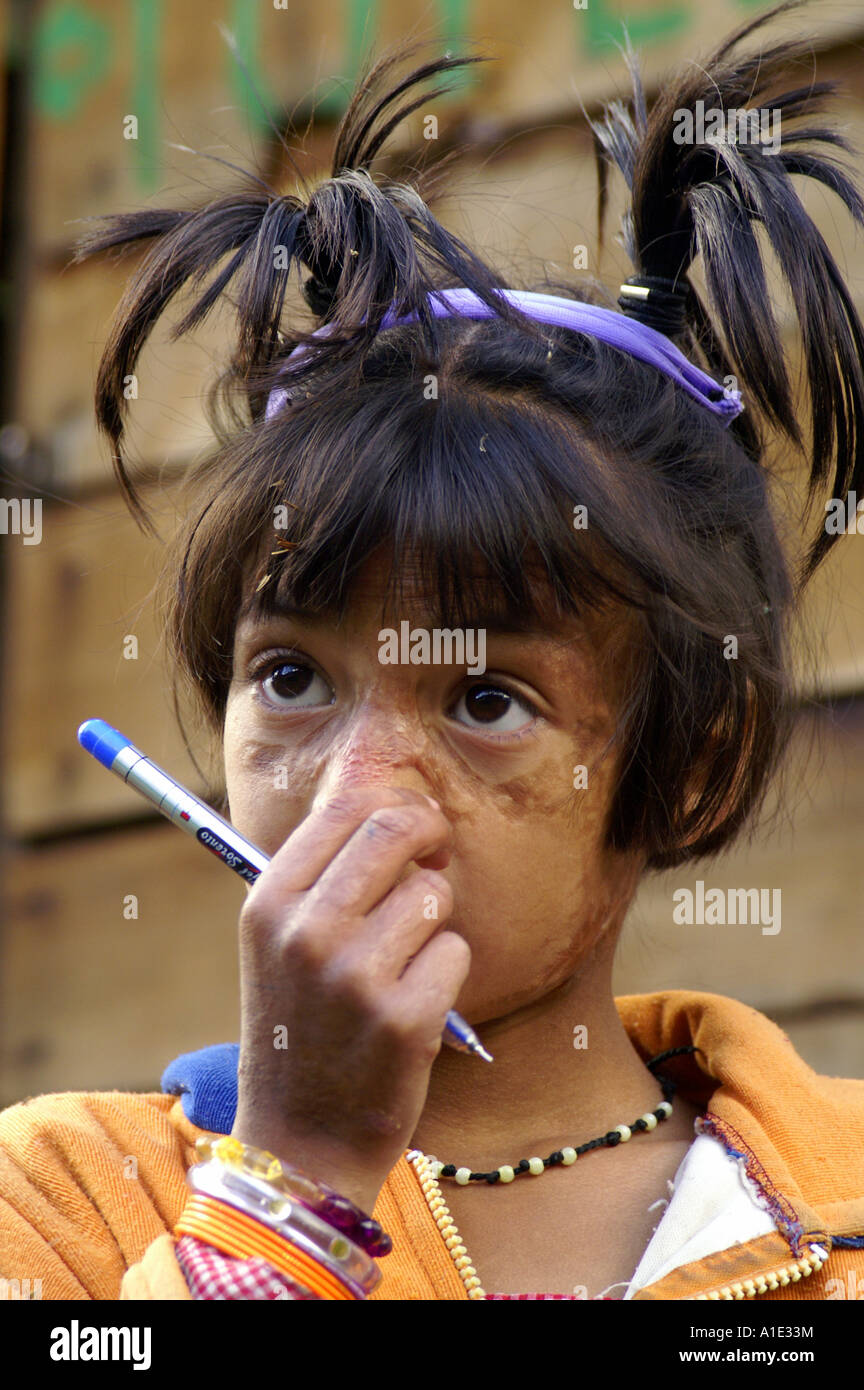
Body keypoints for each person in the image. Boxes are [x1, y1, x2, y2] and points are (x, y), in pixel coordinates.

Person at [2, 1, 863, 1302]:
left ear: (691, 763)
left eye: (483, 698)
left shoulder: (836, 1195)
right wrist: (288, 1183)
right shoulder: (68, 1197)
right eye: (291, 678)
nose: (355, 791)